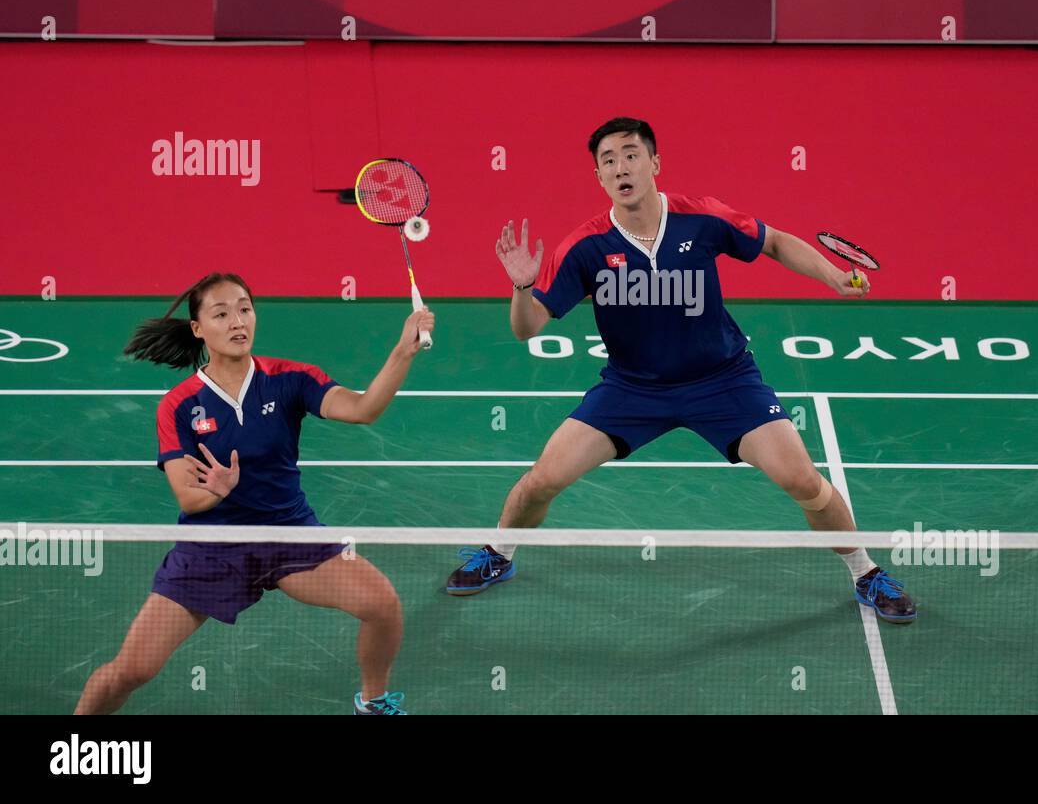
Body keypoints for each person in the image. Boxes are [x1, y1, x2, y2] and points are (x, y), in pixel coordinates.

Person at [445, 117, 915, 623]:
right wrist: (521, 287)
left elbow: (774, 241)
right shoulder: (585, 247)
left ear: (654, 163)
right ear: (599, 177)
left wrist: (833, 278)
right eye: (608, 161)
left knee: (803, 480)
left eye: (630, 154)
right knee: (541, 480)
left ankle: (866, 572)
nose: (620, 167)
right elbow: (527, 328)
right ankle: (500, 553)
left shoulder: (701, 217)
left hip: (723, 381)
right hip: (632, 389)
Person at [75, 272, 435, 714]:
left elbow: (363, 410)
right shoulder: (180, 405)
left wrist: (403, 351)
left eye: (244, 309)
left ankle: (373, 701)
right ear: (198, 328)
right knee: (132, 670)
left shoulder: (290, 379)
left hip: (289, 534)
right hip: (211, 548)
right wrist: (219, 492)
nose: (237, 321)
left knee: (383, 605)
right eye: (221, 313)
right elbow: (188, 499)